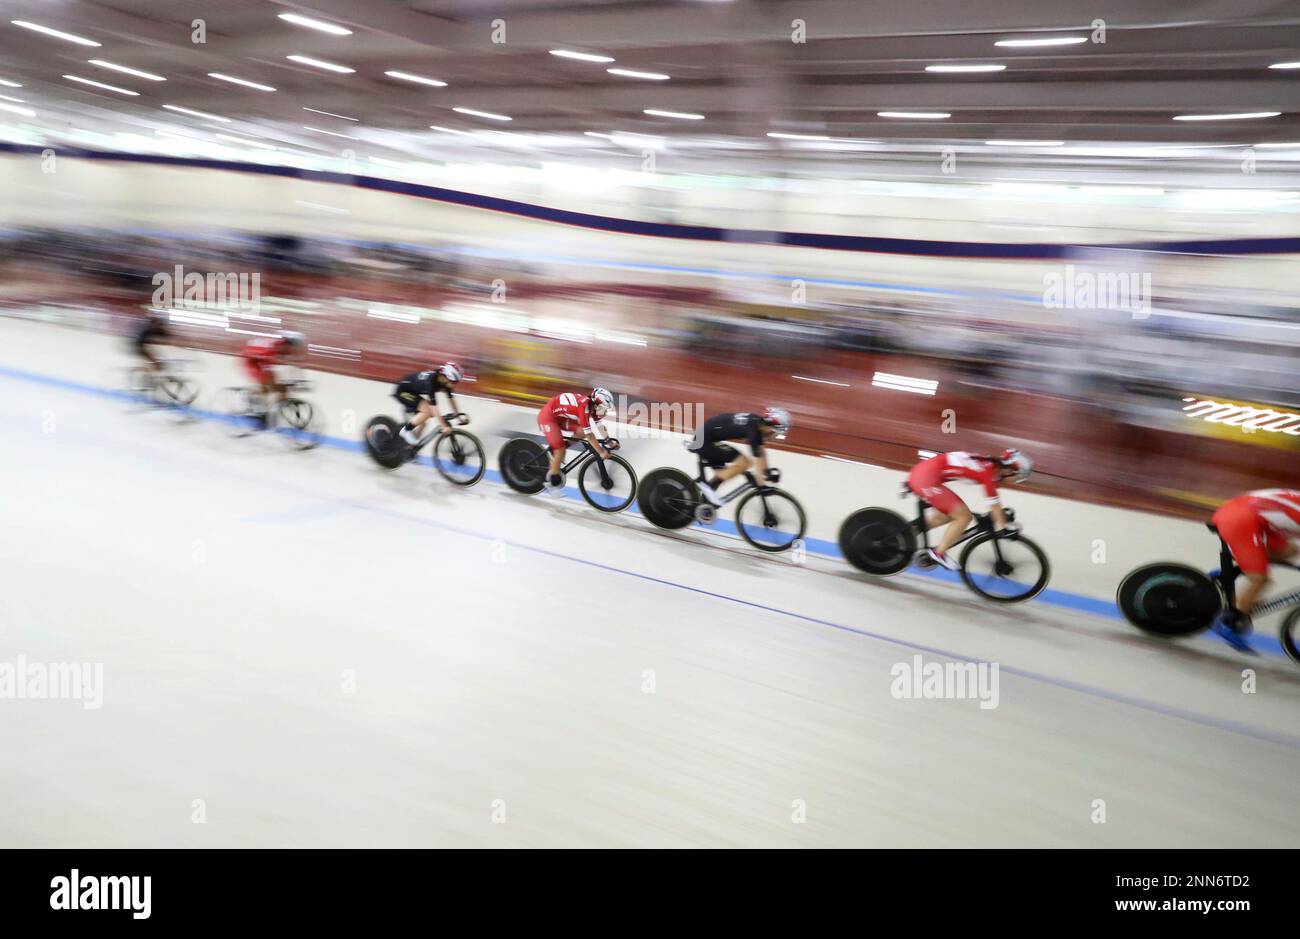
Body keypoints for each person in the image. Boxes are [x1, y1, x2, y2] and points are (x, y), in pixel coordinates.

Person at [907, 448, 1033, 571]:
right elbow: (994, 505)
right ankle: (938, 554)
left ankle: (908, 534)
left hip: (923, 474)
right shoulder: (989, 473)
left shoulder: (991, 465)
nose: (1016, 481)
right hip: (926, 479)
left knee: (950, 514)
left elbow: (995, 506)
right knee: (964, 517)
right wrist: (1004, 529)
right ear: (1009, 471)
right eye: (1018, 477)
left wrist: (1001, 520)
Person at [1208, 488, 1300, 652]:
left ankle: (1234, 571)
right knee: (1260, 579)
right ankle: (1230, 623)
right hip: (1241, 518)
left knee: (1290, 552)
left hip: (1252, 516)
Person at [687, 407, 790, 506]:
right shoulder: (753, 431)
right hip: (704, 440)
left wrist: (767, 472)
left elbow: (761, 453)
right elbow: (757, 460)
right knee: (744, 462)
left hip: (707, 438)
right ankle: (703, 486)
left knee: (722, 475)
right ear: (768, 426)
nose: (773, 435)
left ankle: (702, 502)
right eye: (774, 432)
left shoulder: (756, 423)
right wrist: (761, 485)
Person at [537, 387, 617, 495]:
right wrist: (601, 452)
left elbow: (599, 425)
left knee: (581, 432)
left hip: (560, 417)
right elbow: (589, 435)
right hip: (548, 418)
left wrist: (609, 442)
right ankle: (550, 483)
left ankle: (560, 450)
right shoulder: (584, 408)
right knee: (560, 450)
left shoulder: (592, 405)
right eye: (604, 408)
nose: (605, 411)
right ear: (597, 404)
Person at [241, 330, 306, 422]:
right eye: (293, 348)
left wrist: (298, 381)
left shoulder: (283, 349)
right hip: (251, 360)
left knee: (279, 386)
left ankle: (268, 408)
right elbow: (266, 372)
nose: (293, 351)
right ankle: (254, 405)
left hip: (262, 360)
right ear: (286, 345)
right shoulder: (271, 350)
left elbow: (294, 367)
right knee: (267, 385)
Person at [393, 362, 465, 446]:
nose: (453, 385)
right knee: (427, 411)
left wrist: (458, 415)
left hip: (413, 392)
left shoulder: (444, 381)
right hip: (403, 391)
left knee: (423, 422)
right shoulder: (431, 382)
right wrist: (444, 426)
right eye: (453, 382)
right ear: (445, 377)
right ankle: (405, 431)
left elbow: (451, 399)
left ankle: (411, 448)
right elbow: (433, 407)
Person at [132, 309, 171, 375]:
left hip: (141, 345)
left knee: (151, 358)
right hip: (140, 345)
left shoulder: (153, 329)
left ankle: (154, 368)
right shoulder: (149, 329)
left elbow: (164, 335)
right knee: (150, 357)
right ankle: (153, 369)